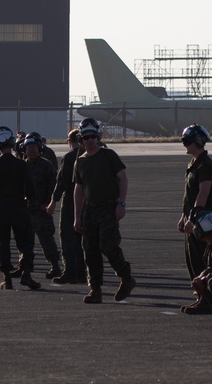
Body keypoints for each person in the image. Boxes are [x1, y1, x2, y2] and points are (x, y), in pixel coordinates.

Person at [73, 118, 136, 304]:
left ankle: (126, 277)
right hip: (90, 211)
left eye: (93, 136)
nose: (90, 140)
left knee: (108, 246)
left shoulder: (109, 155)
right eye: (86, 137)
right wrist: (77, 217)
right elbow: (79, 189)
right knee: (90, 251)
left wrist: (121, 203)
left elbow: (123, 179)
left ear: (98, 137)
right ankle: (95, 289)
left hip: (109, 207)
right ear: (81, 139)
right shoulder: (80, 162)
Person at [0, 126, 41, 290]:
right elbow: (30, 189)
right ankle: (26, 274)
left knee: (3, 244)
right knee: (25, 243)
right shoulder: (21, 165)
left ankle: (6, 278)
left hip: (1, 209)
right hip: (19, 207)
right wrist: (28, 201)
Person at [177, 124, 212, 314]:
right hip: (193, 221)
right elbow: (189, 195)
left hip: (202, 224)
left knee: (202, 261)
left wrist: (193, 218)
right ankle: (202, 297)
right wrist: (183, 216)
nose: (184, 144)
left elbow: (202, 194)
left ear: (198, 142)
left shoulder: (206, 165)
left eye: (187, 141)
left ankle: (208, 299)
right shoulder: (194, 164)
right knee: (192, 260)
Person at [47, 129, 85, 284]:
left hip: (70, 200)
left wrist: (53, 201)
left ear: (70, 141)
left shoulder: (69, 157)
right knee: (82, 239)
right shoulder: (91, 154)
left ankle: (69, 271)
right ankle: (82, 272)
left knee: (67, 238)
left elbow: (61, 181)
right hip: (87, 201)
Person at [23, 133, 62, 278]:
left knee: (46, 238)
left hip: (41, 209)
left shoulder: (46, 165)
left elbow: (53, 186)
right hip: (26, 210)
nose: (31, 150)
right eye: (28, 148)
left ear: (39, 148)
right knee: (26, 241)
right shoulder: (22, 165)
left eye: (34, 147)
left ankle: (55, 265)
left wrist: (48, 203)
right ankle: (26, 266)